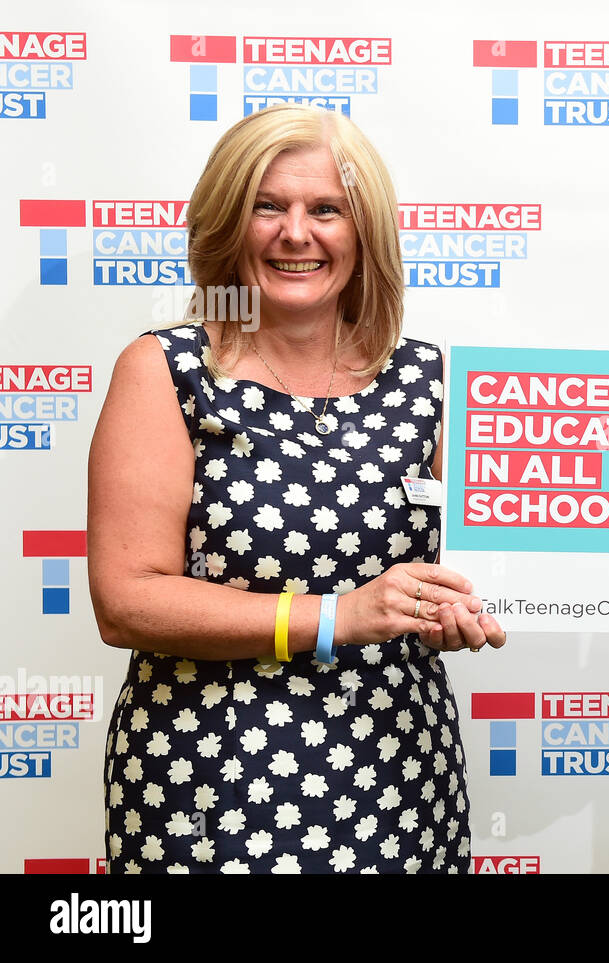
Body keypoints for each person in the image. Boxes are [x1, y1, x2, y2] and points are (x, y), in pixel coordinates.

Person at [89, 104, 503, 874]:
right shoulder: (167, 370)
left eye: (326, 209)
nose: (296, 233)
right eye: (267, 205)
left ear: (365, 230)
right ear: (226, 223)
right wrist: (339, 617)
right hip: (208, 782)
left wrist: (465, 604)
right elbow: (126, 600)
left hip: (400, 775)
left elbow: (503, 555)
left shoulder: (433, 380)